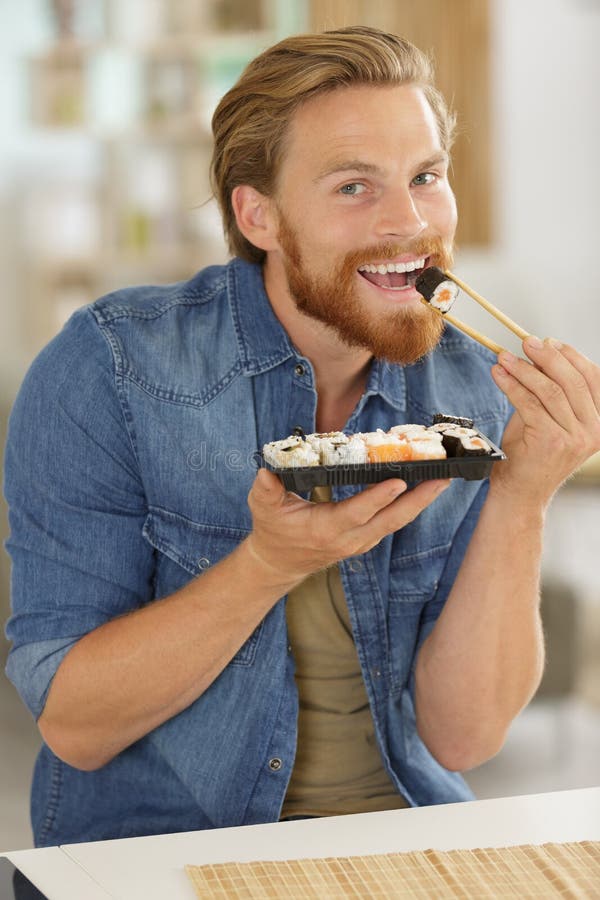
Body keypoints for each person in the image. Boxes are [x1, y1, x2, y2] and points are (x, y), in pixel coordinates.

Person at [4, 26, 600, 847]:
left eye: (426, 176)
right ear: (260, 215)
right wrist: (267, 565)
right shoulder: (110, 367)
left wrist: (525, 490)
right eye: (355, 186)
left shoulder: (473, 386)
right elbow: (75, 724)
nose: (410, 221)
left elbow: (464, 740)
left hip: (405, 833)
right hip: (167, 850)